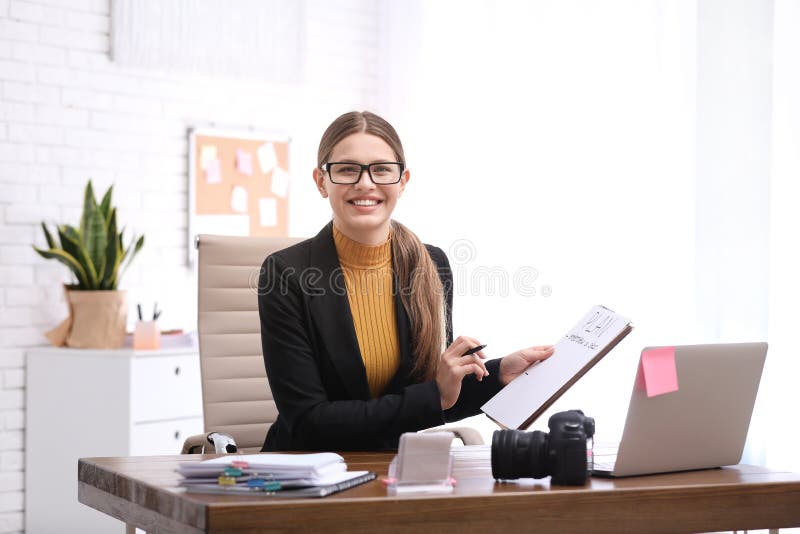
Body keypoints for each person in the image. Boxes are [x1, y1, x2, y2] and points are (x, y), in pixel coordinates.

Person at [258, 111, 554, 451]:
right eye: (347, 169)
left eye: (382, 169)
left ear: (403, 180)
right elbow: (309, 421)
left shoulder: (431, 264)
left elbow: (436, 398)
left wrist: (499, 375)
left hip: (397, 469)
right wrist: (435, 396)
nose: (365, 183)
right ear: (321, 181)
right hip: (310, 473)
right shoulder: (285, 273)